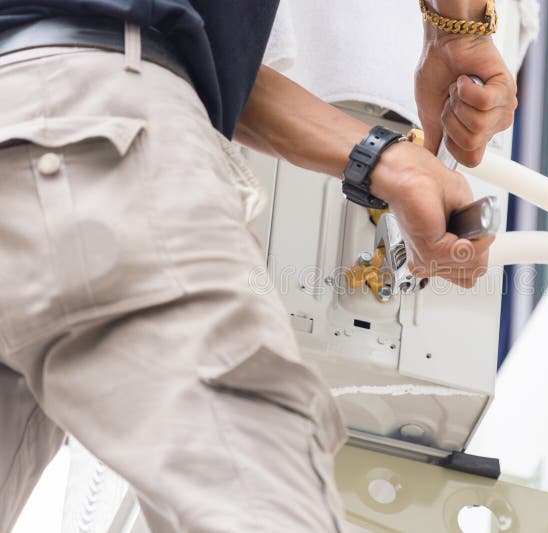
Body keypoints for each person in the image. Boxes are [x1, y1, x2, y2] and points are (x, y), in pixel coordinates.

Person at [0, 1, 516, 531]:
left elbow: (221, 80)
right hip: (92, 105)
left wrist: (384, 158)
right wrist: (459, 30)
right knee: (262, 496)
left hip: (43, 117)